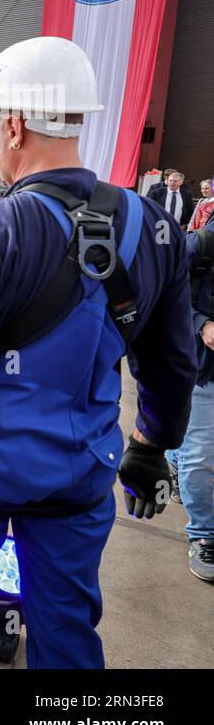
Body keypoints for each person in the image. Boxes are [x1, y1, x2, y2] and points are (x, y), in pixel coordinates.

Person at [0, 36, 195, 669]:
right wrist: (151, 449)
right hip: (81, 478)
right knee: (68, 625)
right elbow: (172, 363)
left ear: (16, 125)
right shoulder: (156, 229)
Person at [173, 227, 214, 581]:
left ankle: (174, 459)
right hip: (206, 368)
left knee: (190, 447)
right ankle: (205, 534)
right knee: (200, 454)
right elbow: (165, 295)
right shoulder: (199, 244)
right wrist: (202, 324)